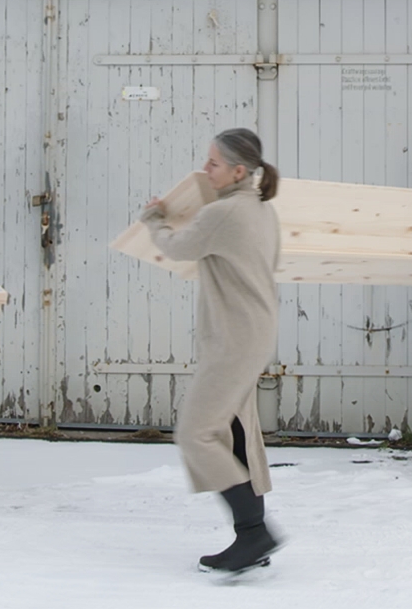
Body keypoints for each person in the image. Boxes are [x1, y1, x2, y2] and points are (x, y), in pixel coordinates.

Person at [141, 128, 284, 573]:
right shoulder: (262, 209)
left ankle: (255, 532)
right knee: (237, 433)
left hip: (233, 339)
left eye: (213, 164)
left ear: (238, 170)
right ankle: (250, 537)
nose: (205, 170)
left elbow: (175, 246)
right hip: (253, 331)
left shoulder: (225, 213)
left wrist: (154, 218)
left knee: (196, 433)